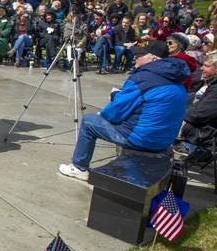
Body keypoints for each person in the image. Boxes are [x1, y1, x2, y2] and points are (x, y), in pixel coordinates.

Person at [58, 40, 189, 180]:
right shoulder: (176, 78)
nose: (135, 57)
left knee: (89, 122)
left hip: (143, 140)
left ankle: (79, 167)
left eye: (140, 55)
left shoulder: (143, 78)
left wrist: (112, 99)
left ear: (154, 58)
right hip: (165, 140)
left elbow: (113, 113)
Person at [175, 51, 217, 161]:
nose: (201, 68)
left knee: (162, 121)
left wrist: (177, 112)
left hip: (214, 134)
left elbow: (197, 115)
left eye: (206, 66)